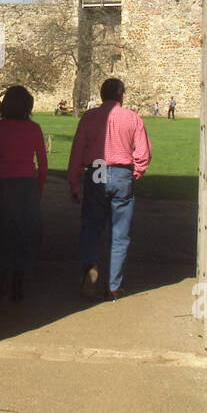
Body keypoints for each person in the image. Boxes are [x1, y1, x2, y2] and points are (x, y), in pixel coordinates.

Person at [68, 78, 151, 301]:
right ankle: (114, 285)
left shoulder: (89, 117)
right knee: (120, 232)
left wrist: (74, 181)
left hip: (97, 169)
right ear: (121, 95)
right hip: (121, 170)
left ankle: (91, 265)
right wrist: (136, 172)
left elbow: (77, 150)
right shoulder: (132, 118)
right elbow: (143, 153)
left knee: (92, 226)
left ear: (101, 94)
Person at [0, 84, 47, 303]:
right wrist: (38, 189)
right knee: (23, 232)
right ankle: (18, 282)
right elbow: (43, 164)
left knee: (2, 229)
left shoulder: (1, 128)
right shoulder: (35, 129)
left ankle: (0, 279)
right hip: (27, 183)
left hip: (5, 182)